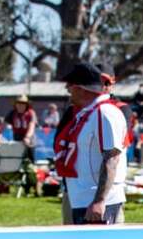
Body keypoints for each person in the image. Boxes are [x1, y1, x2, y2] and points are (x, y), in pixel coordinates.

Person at [54, 62, 127, 225]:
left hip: (98, 204)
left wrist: (99, 200)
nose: (67, 89)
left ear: (82, 88)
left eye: (70, 85)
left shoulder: (105, 113)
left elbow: (111, 158)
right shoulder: (87, 113)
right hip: (83, 200)